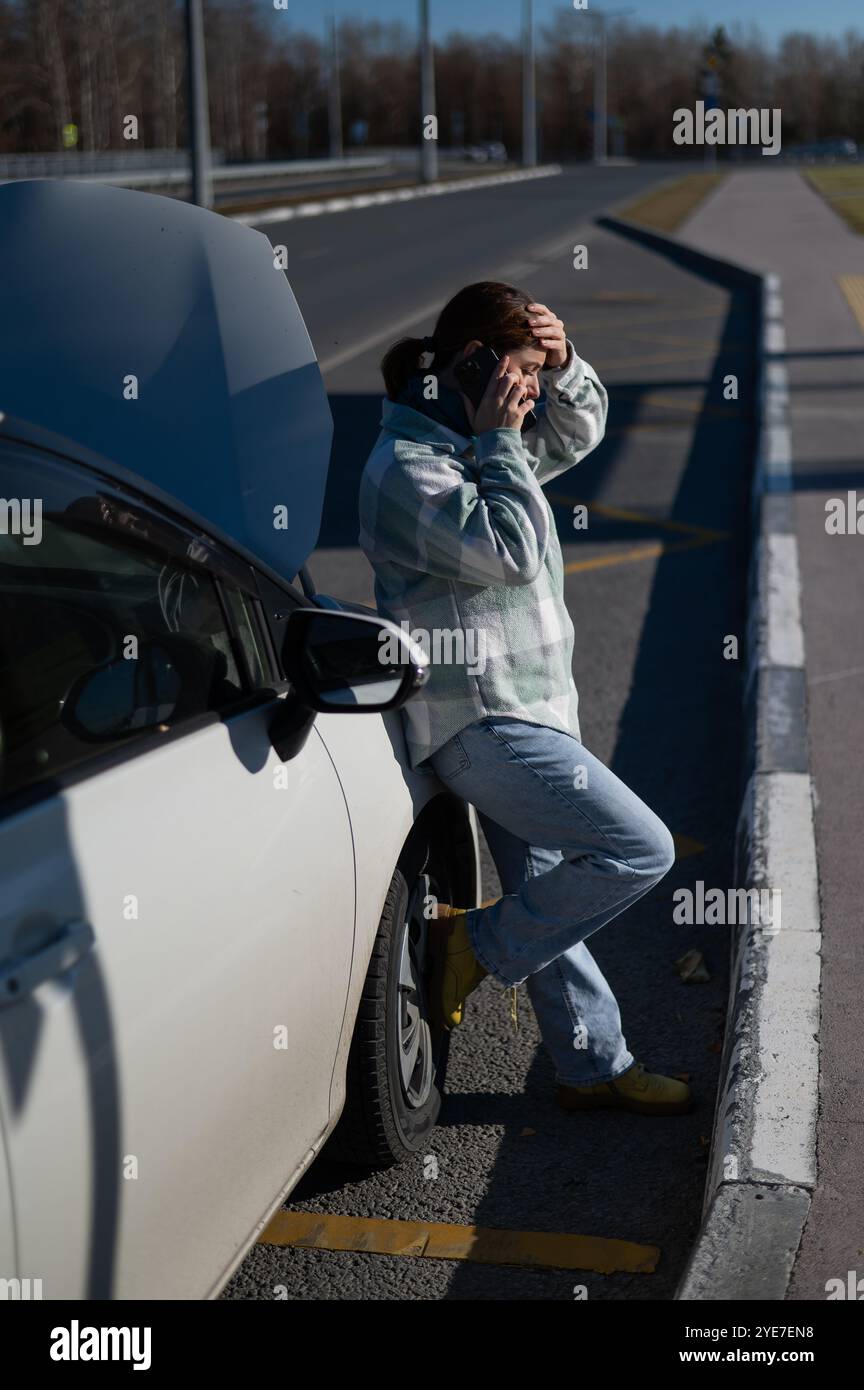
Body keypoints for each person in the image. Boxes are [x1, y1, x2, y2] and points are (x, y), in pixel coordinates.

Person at [357, 281, 692, 1116]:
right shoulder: (408, 470)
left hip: (531, 715)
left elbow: (580, 430)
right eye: (521, 373)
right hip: (481, 723)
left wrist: (566, 361)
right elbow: (508, 550)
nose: (533, 392)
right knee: (638, 849)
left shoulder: (477, 445)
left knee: (554, 893)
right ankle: (466, 945)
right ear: (470, 367)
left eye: (537, 375)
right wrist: (503, 440)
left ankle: (591, 1063)